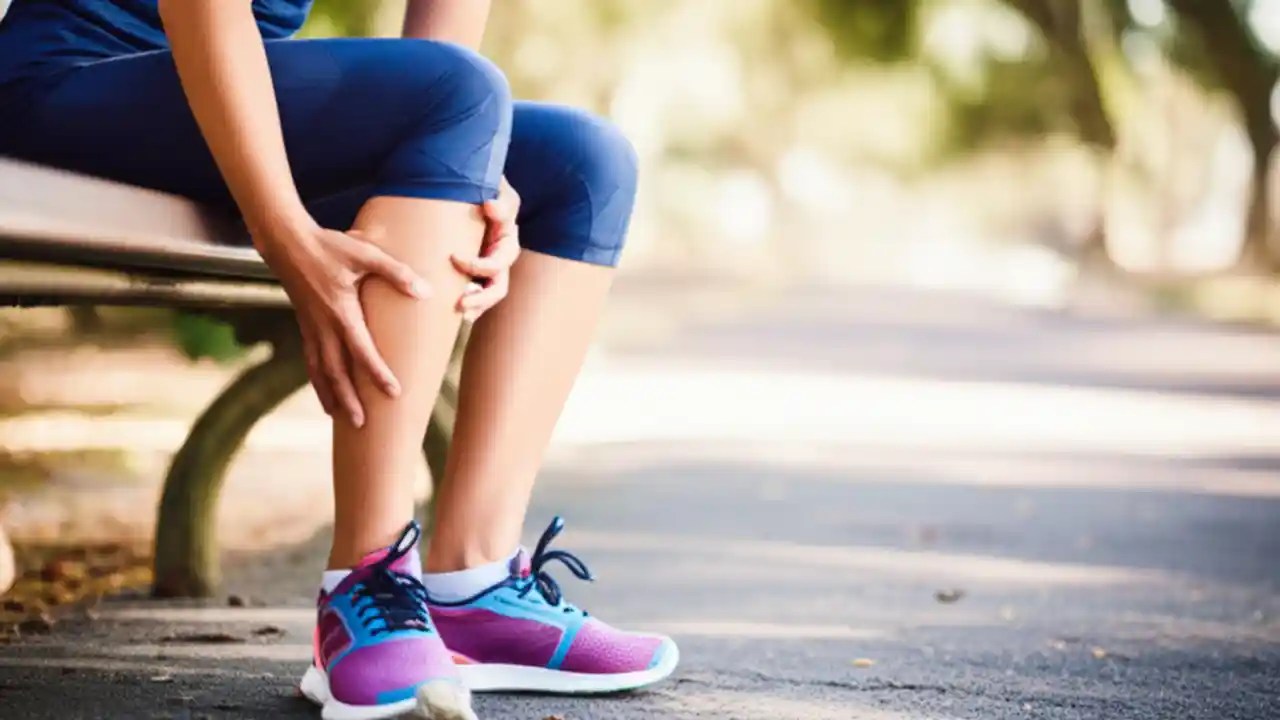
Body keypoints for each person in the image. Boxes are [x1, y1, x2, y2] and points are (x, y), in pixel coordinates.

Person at [0, 1, 679, 718]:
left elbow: (453, 66)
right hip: (69, 82)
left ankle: (471, 585)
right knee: (452, 95)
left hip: (230, 93)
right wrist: (284, 231)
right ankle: (364, 581)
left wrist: (473, 169)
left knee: (583, 165)